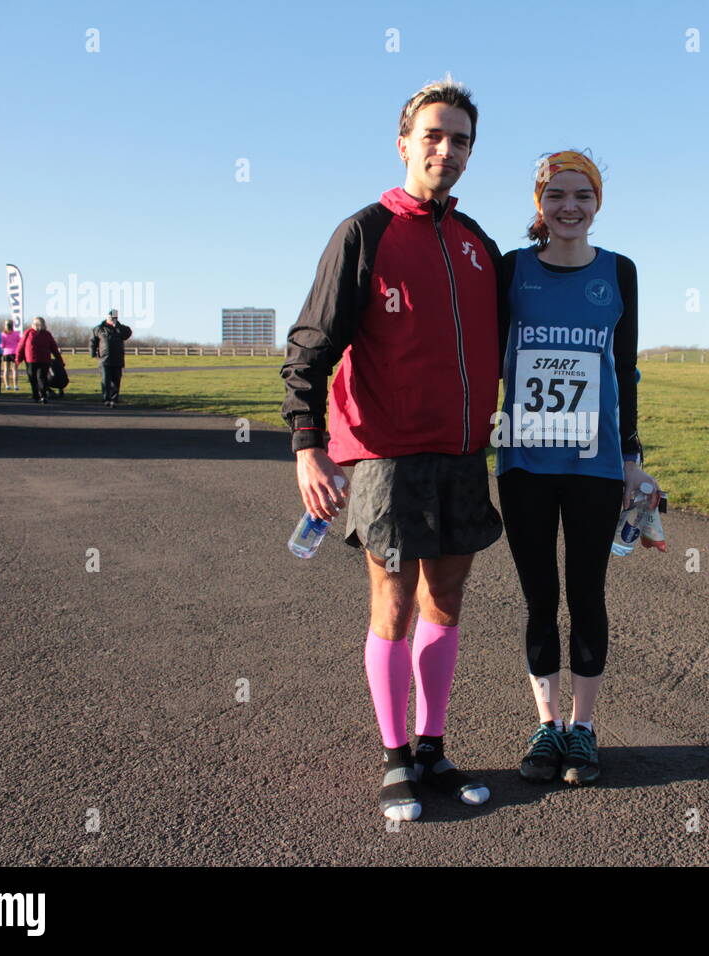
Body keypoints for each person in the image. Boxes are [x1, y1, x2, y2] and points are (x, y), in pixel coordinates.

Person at [281, 76, 504, 822]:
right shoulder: (364, 232)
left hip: (462, 454)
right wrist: (308, 444)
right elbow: (309, 345)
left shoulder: (478, 244)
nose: (447, 150)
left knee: (447, 600)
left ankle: (433, 749)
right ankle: (395, 757)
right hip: (386, 456)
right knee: (395, 603)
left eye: (461, 140)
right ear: (404, 143)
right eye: (433, 136)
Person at [494, 150, 658, 786]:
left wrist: (633, 460)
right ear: (540, 204)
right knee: (540, 597)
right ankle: (547, 725)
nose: (569, 207)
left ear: (597, 205)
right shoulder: (512, 270)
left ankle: (583, 728)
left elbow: (626, 366)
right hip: (524, 460)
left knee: (587, 593)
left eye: (582, 196)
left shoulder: (620, 271)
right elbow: (484, 356)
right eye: (556, 195)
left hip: (595, 463)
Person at [90, 309, 132, 407]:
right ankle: (106, 399)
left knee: (116, 381)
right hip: (104, 359)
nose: (112, 319)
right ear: (107, 317)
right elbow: (93, 341)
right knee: (105, 380)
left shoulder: (120, 328)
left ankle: (114, 400)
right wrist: (93, 353)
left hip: (117, 359)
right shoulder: (99, 328)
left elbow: (127, 334)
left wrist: (117, 326)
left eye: (114, 318)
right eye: (111, 317)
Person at [15, 316, 61, 403]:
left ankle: (37, 395)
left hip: (32, 360)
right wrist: (59, 359)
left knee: (34, 378)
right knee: (41, 377)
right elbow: (54, 348)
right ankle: (42, 395)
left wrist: (18, 358)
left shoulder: (30, 333)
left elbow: (21, 346)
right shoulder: (45, 334)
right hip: (42, 359)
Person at [0, 319, 21, 391]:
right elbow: (20, 342)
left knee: (6, 370)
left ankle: (7, 385)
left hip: (6, 353)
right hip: (15, 353)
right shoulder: (16, 333)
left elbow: (2, 345)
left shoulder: (3, 334)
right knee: (15, 370)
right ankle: (16, 385)